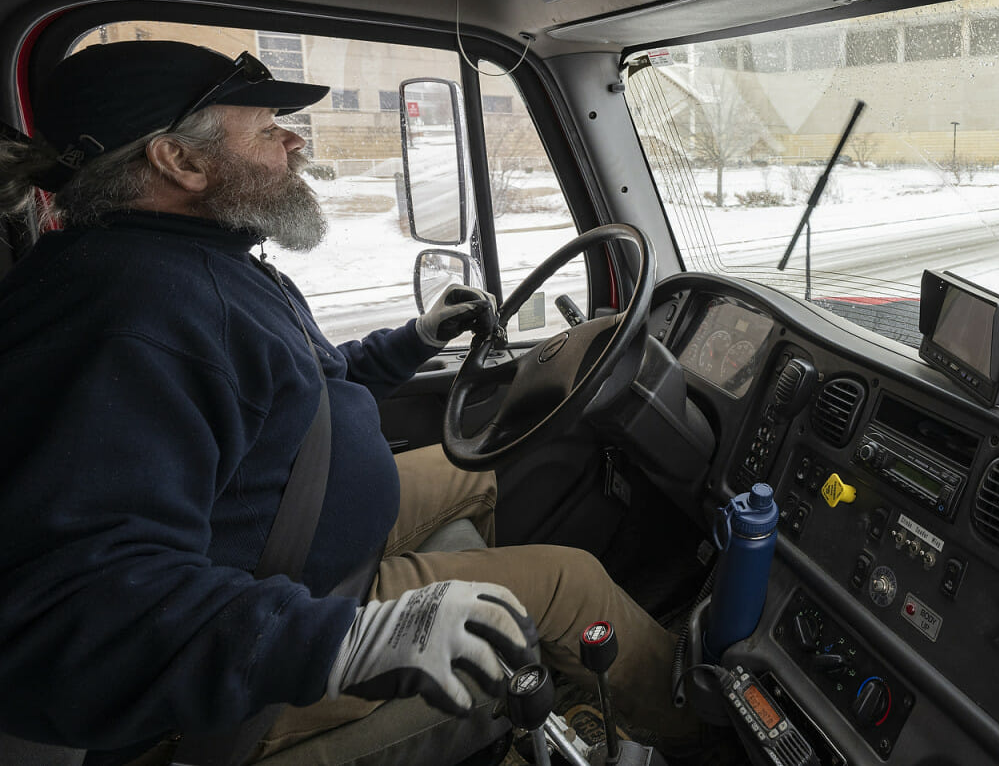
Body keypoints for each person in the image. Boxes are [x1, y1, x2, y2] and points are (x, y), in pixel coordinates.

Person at [0, 41, 699, 763]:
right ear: (182, 162)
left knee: (487, 466)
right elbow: (64, 610)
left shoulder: (192, 258)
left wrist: (417, 341)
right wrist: (352, 641)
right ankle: (702, 731)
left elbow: (303, 404)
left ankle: (535, 674)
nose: (293, 139)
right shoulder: (133, 315)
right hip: (268, 635)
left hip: (297, 537)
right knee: (570, 582)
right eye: (268, 128)